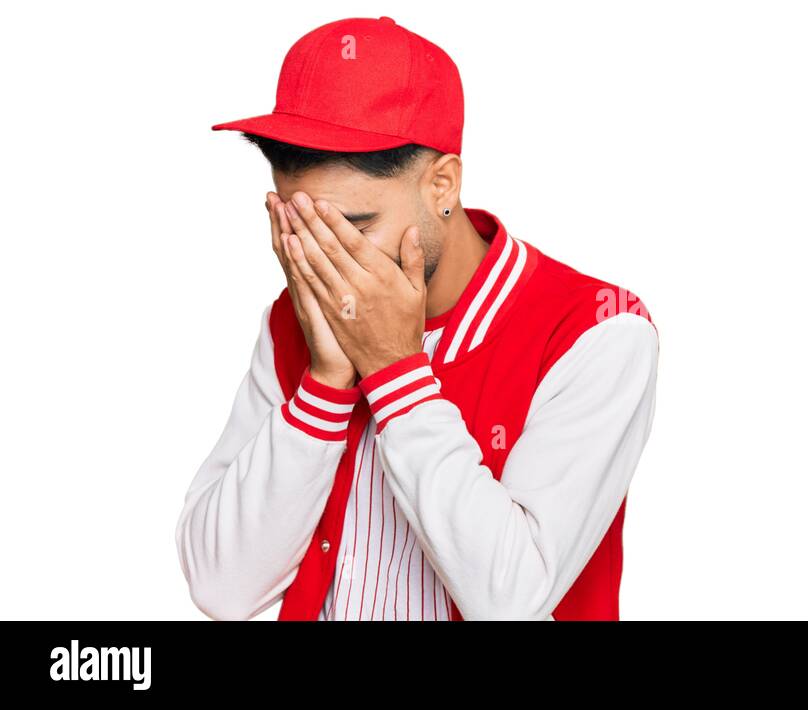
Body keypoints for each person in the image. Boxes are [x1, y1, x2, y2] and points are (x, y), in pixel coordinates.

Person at [173, 16, 658, 621]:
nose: (327, 262)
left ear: (442, 186)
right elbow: (221, 588)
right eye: (301, 228)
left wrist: (394, 369)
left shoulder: (596, 333)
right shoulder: (296, 320)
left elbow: (512, 599)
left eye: (354, 227)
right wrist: (324, 383)